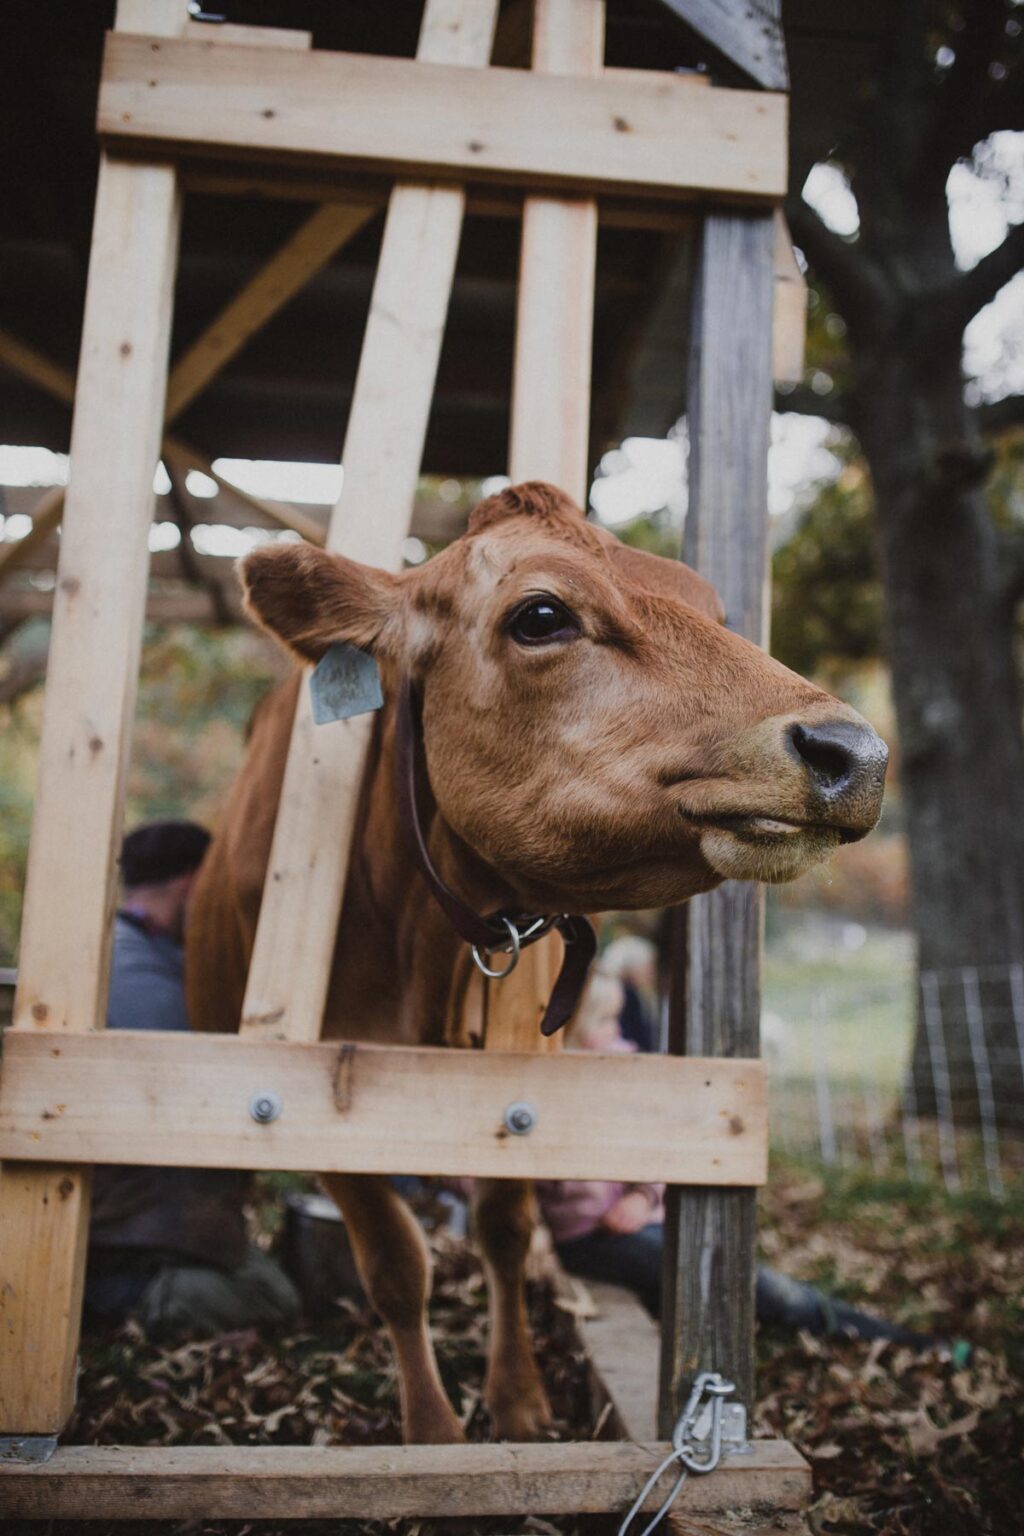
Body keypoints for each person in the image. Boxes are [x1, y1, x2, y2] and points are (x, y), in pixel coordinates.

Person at [536, 972, 955, 1353]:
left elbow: (665, 1143)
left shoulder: (629, 1068)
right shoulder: (545, 1088)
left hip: (644, 1221)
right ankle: (885, 1336)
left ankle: (875, 1331)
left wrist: (644, 1196)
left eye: (616, 1018)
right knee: (734, 1278)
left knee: (742, 1271)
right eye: (603, 1021)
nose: (616, 1031)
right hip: (588, 1237)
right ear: (573, 1026)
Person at [85, 820, 300, 1339]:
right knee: (271, 1296)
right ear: (194, 886)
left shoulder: (124, 952)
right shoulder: (140, 977)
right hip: (122, 1230)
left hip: (140, 1220)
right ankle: (114, 1301)